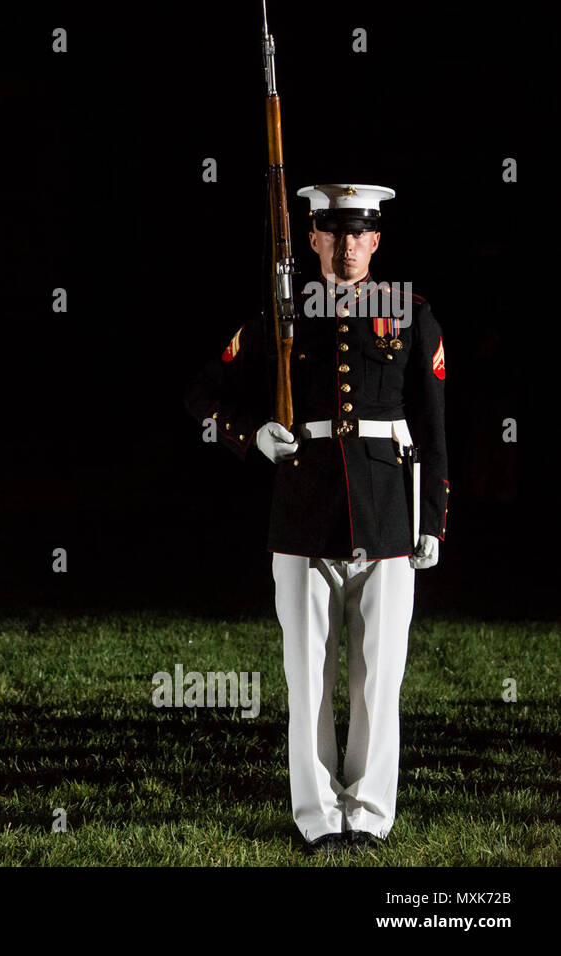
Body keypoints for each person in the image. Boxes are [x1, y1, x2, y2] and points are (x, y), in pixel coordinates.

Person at [184, 183, 448, 852]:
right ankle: (317, 814)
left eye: (360, 232)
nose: (348, 245)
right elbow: (201, 397)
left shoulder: (412, 313)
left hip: (388, 509)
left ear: (379, 239)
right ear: (311, 239)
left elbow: (436, 429)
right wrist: (248, 436)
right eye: (334, 232)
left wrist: (433, 521)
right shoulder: (282, 315)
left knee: (379, 676)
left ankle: (369, 812)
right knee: (308, 674)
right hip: (304, 509)